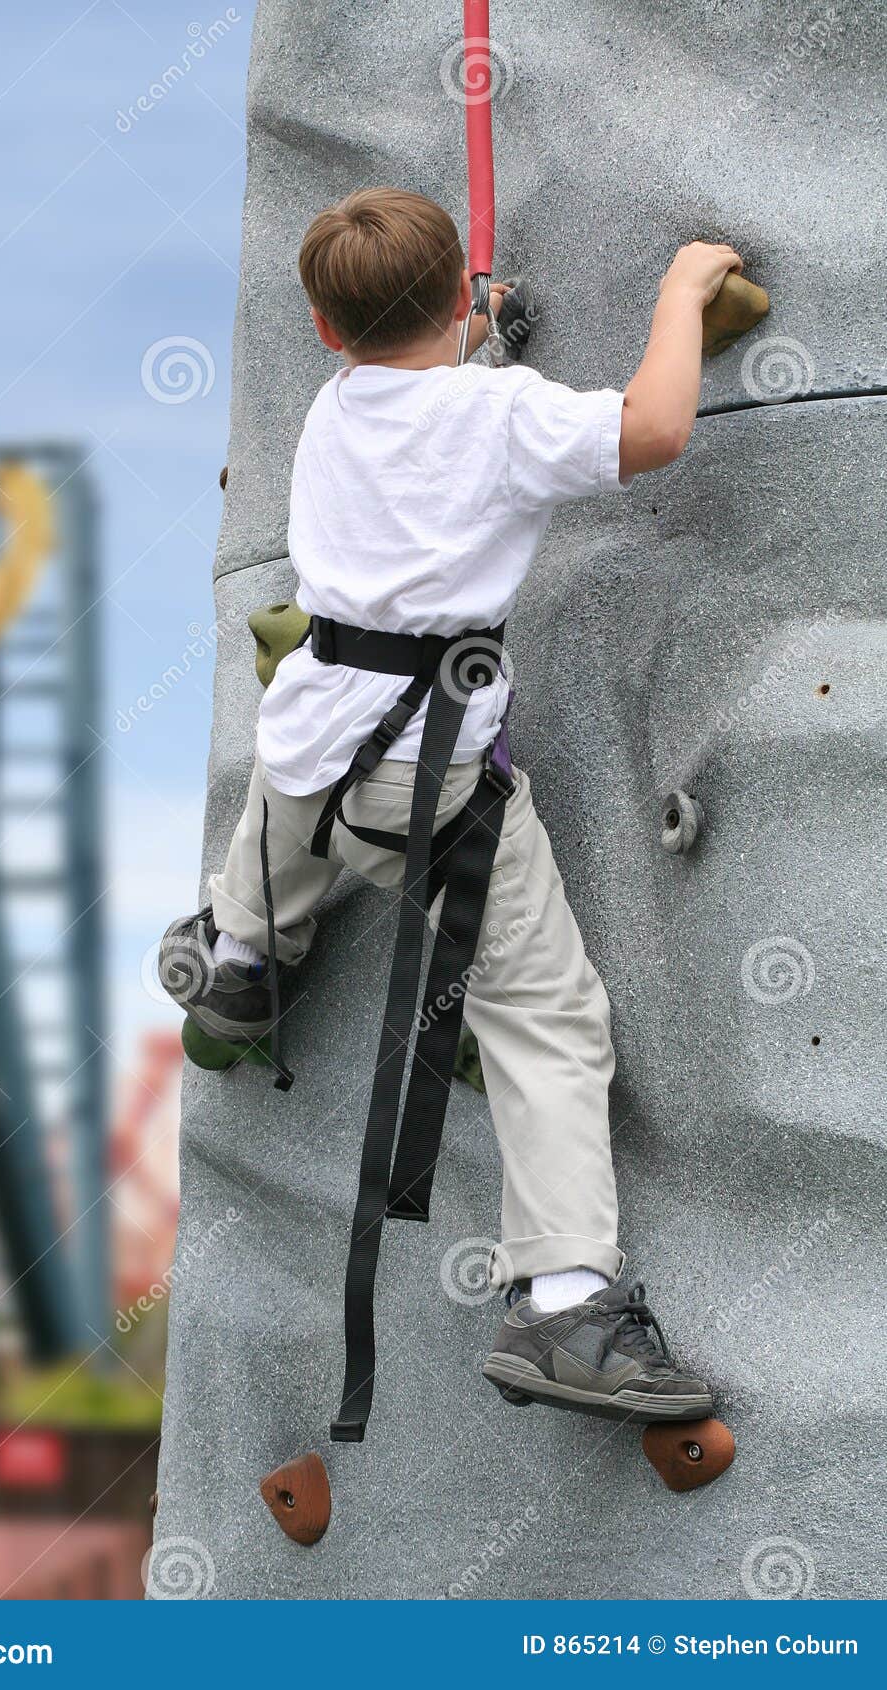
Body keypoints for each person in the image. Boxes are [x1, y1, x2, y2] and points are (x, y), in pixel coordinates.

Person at [161, 187, 741, 1423]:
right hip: (428, 779)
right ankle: (565, 1306)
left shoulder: (332, 409)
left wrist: (463, 324)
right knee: (548, 1018)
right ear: (458, 292)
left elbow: (413, 392)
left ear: (323, 329)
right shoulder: (503, 414)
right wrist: (681, 292)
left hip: (313, 727)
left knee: (292, 819)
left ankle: (242, 959)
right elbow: (650, 428)